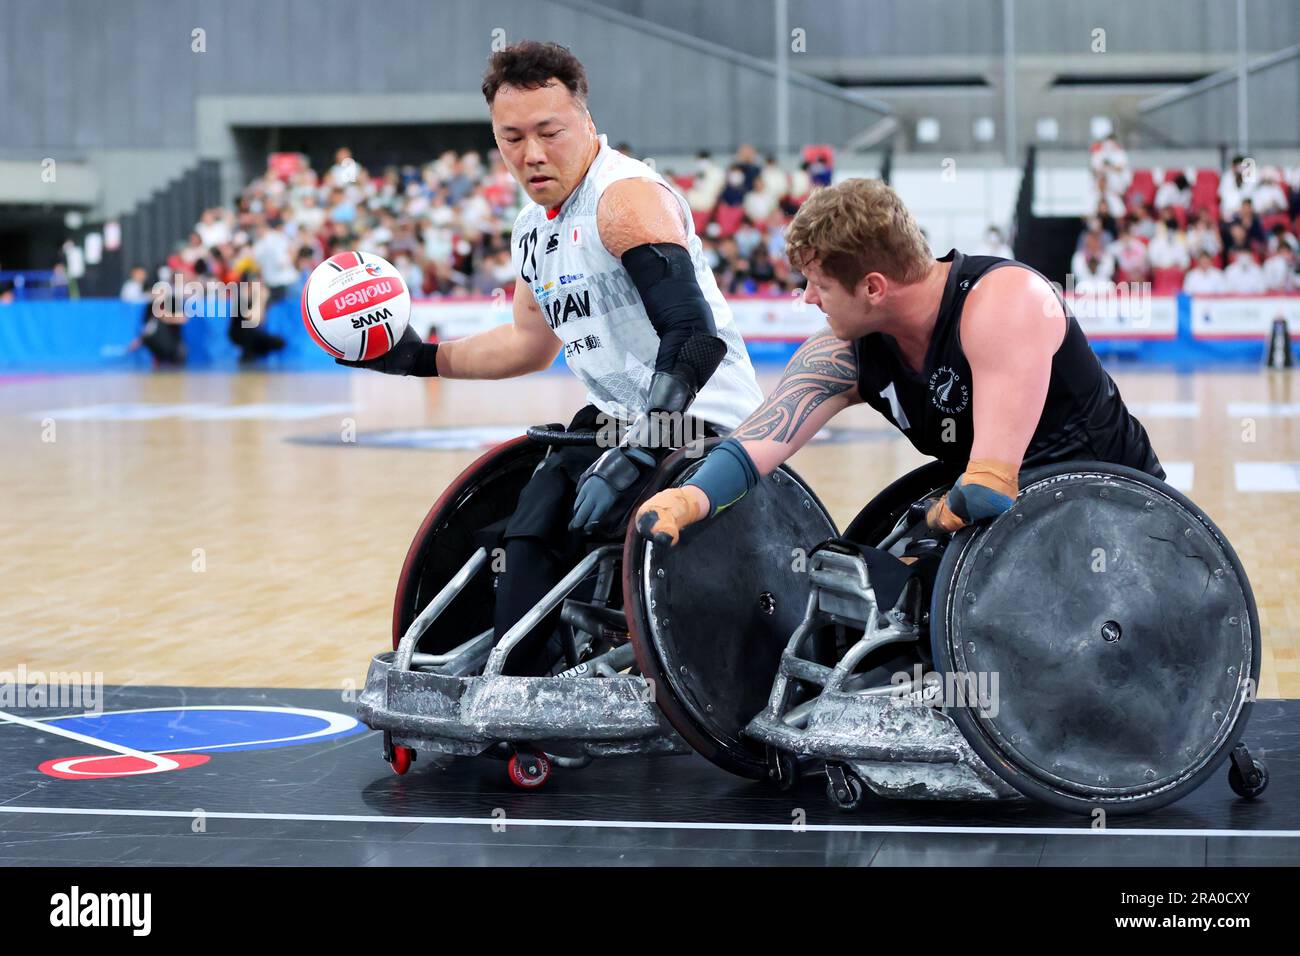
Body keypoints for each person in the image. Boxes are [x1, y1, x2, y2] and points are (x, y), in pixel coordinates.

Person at [338, 41, 763, 674]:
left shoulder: (624, 200)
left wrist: (644, 447)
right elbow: (529, 345)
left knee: (572, 515)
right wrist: (416, 359)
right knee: (527, 518)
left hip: (705, 421)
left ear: (586, 123)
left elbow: (695, 338)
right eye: (511, 138)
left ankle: (545, 673)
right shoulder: (532, 228)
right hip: (618, 422)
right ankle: (513, 675)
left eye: (549, 132)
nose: (531, 154)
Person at [633, 178, 1162, 552]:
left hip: (1120, 517)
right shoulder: (845, 348)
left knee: (895, 570)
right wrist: (692, 496)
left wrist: (921, 532)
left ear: (873, 287)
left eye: (820, 285)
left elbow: (987, 488)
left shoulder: (1006, 303)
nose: (809, 299)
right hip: (1019, 523)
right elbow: (760, 440)